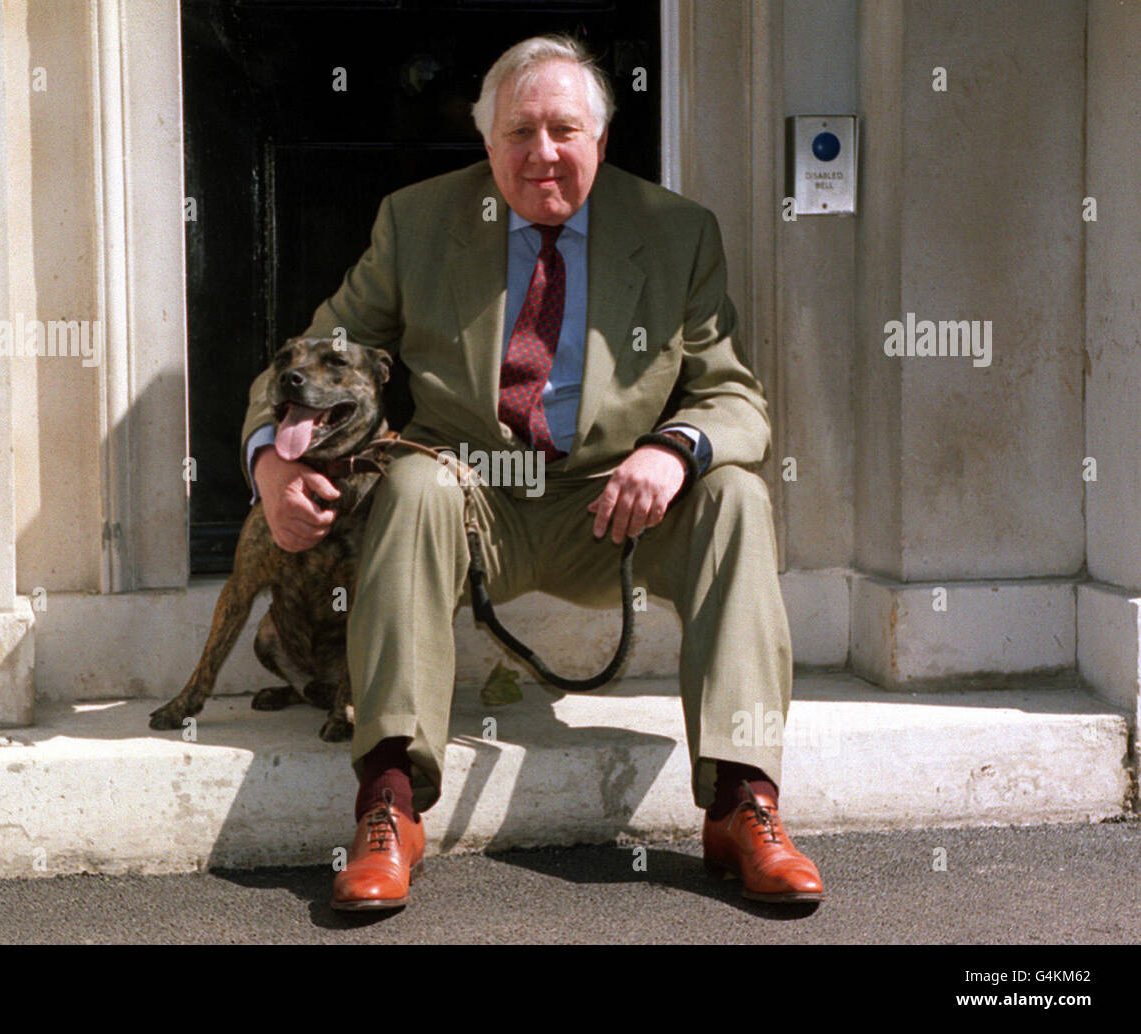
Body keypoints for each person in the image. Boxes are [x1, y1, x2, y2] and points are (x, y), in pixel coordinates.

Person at [241, 34, 823, 910]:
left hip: (615, 509)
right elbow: (315, 357)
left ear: (600, 137)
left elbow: (736, 402)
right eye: (519, 132)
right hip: (471, 499)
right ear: (486, 141)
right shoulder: (417, 222)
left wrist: (673, 451)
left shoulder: (676, 233)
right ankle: (389, 803)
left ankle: (745, 802)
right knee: (411, 482)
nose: (541, 153)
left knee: (736, 494)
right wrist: (268, 465)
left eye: (564, 130)